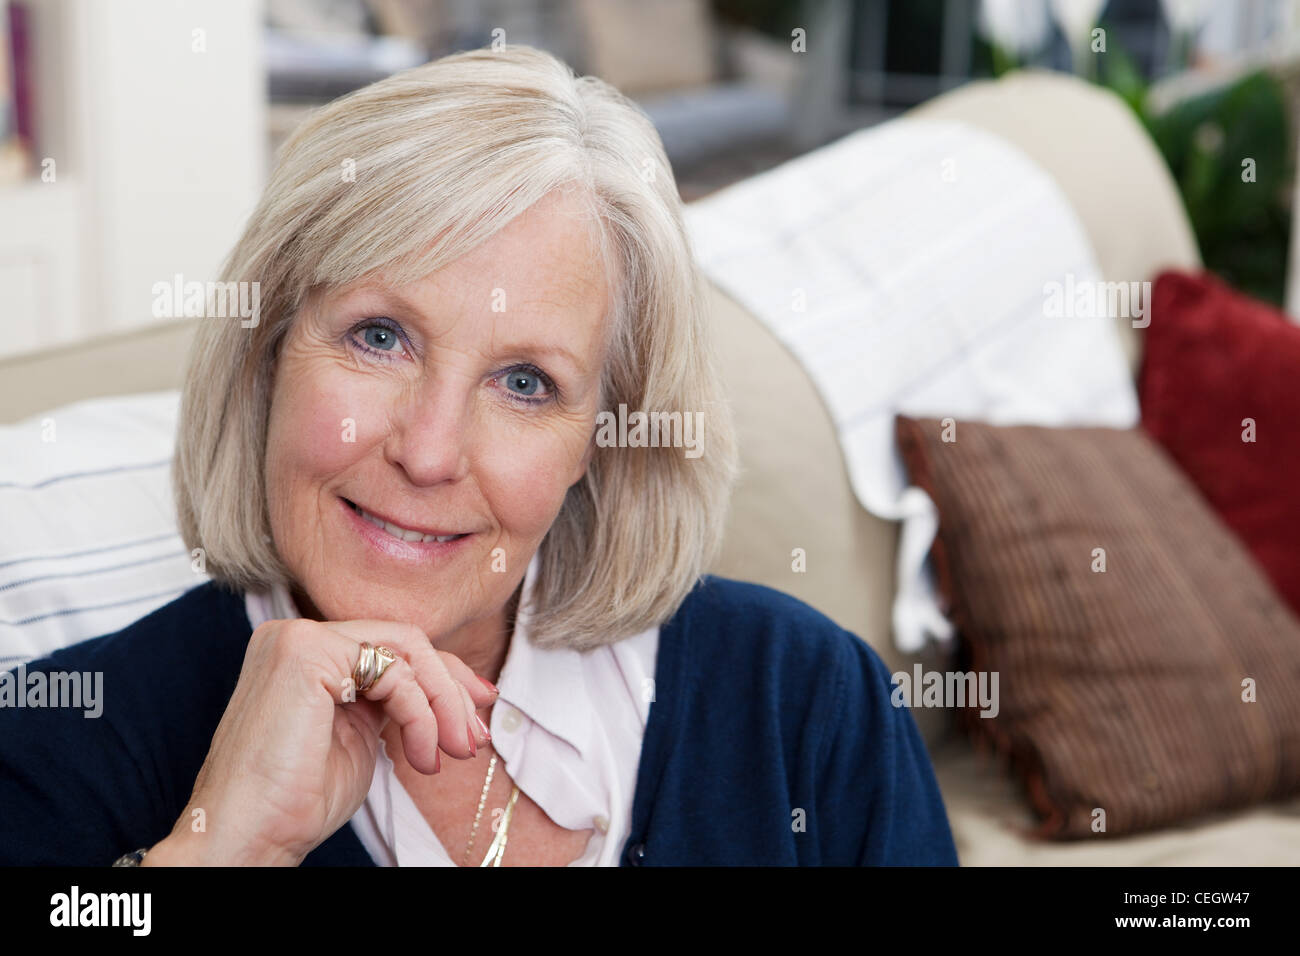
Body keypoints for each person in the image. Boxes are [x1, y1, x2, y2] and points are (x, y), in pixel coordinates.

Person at [0, 44, 957, 866]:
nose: (427, 452)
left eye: (526, 383)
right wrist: (223, 849)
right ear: (266, 357)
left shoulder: (806, 702)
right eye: (380, 337)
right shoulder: (58, 740)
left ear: (602, 442)